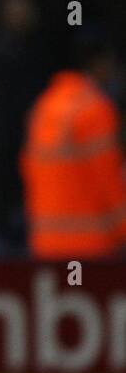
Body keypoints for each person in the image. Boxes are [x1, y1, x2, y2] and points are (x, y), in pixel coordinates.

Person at [21, 39, 126, 259]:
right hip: (92, 246)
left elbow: (28, 170)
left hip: (45, 243)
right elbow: (107, 179)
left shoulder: (43, 107)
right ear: (99, 63)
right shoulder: (94, 110)